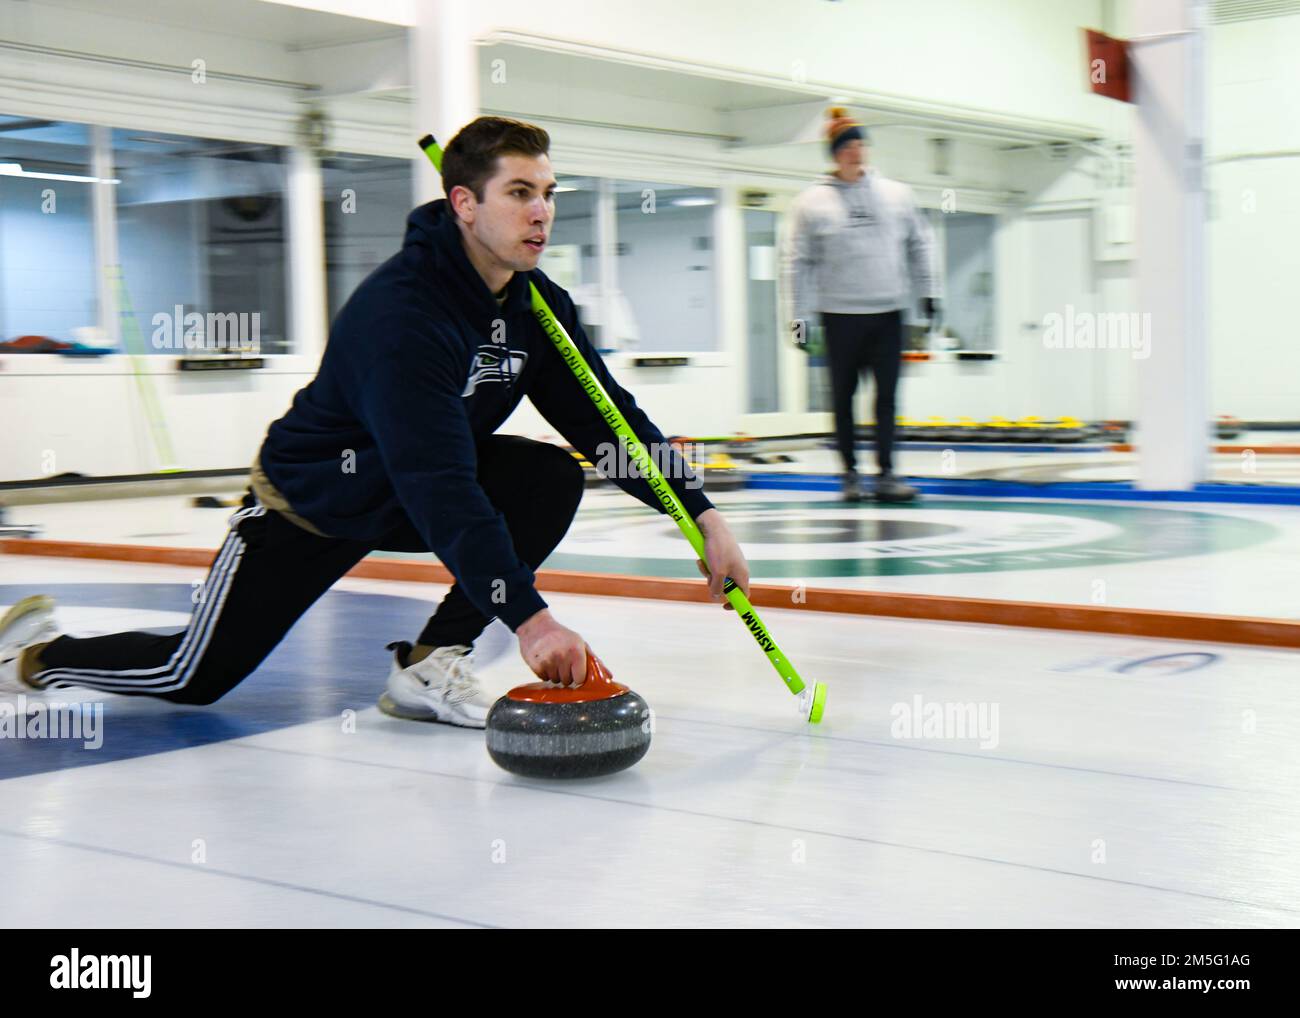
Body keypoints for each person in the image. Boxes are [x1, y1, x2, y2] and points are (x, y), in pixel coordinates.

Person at [0, 116, 751, 729]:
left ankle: (432, 662)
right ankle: (34, 655)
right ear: (464, 203)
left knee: (550, 476)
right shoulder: (405, 314)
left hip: (408, 487)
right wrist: (530, 620)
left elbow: (605, 419)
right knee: (193, 677)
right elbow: (439, 483)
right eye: (519, 192)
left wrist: (702, 514)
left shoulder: (536, 304)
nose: (542, 212)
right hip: (314, 504)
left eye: (549, 192)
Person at [782, 106, 939, 503]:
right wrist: (797, 319)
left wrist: (929, 293)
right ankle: (850, 475)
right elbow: (796, 263)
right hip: (839, 316)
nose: (855, 150)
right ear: (834, 154)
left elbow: (920, 244)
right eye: (846, 145)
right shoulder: (811, 203)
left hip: (888, 313)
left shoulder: (896, 195)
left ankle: (887, 474)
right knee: (842, 399)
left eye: (859, 143)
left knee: (887, 398)